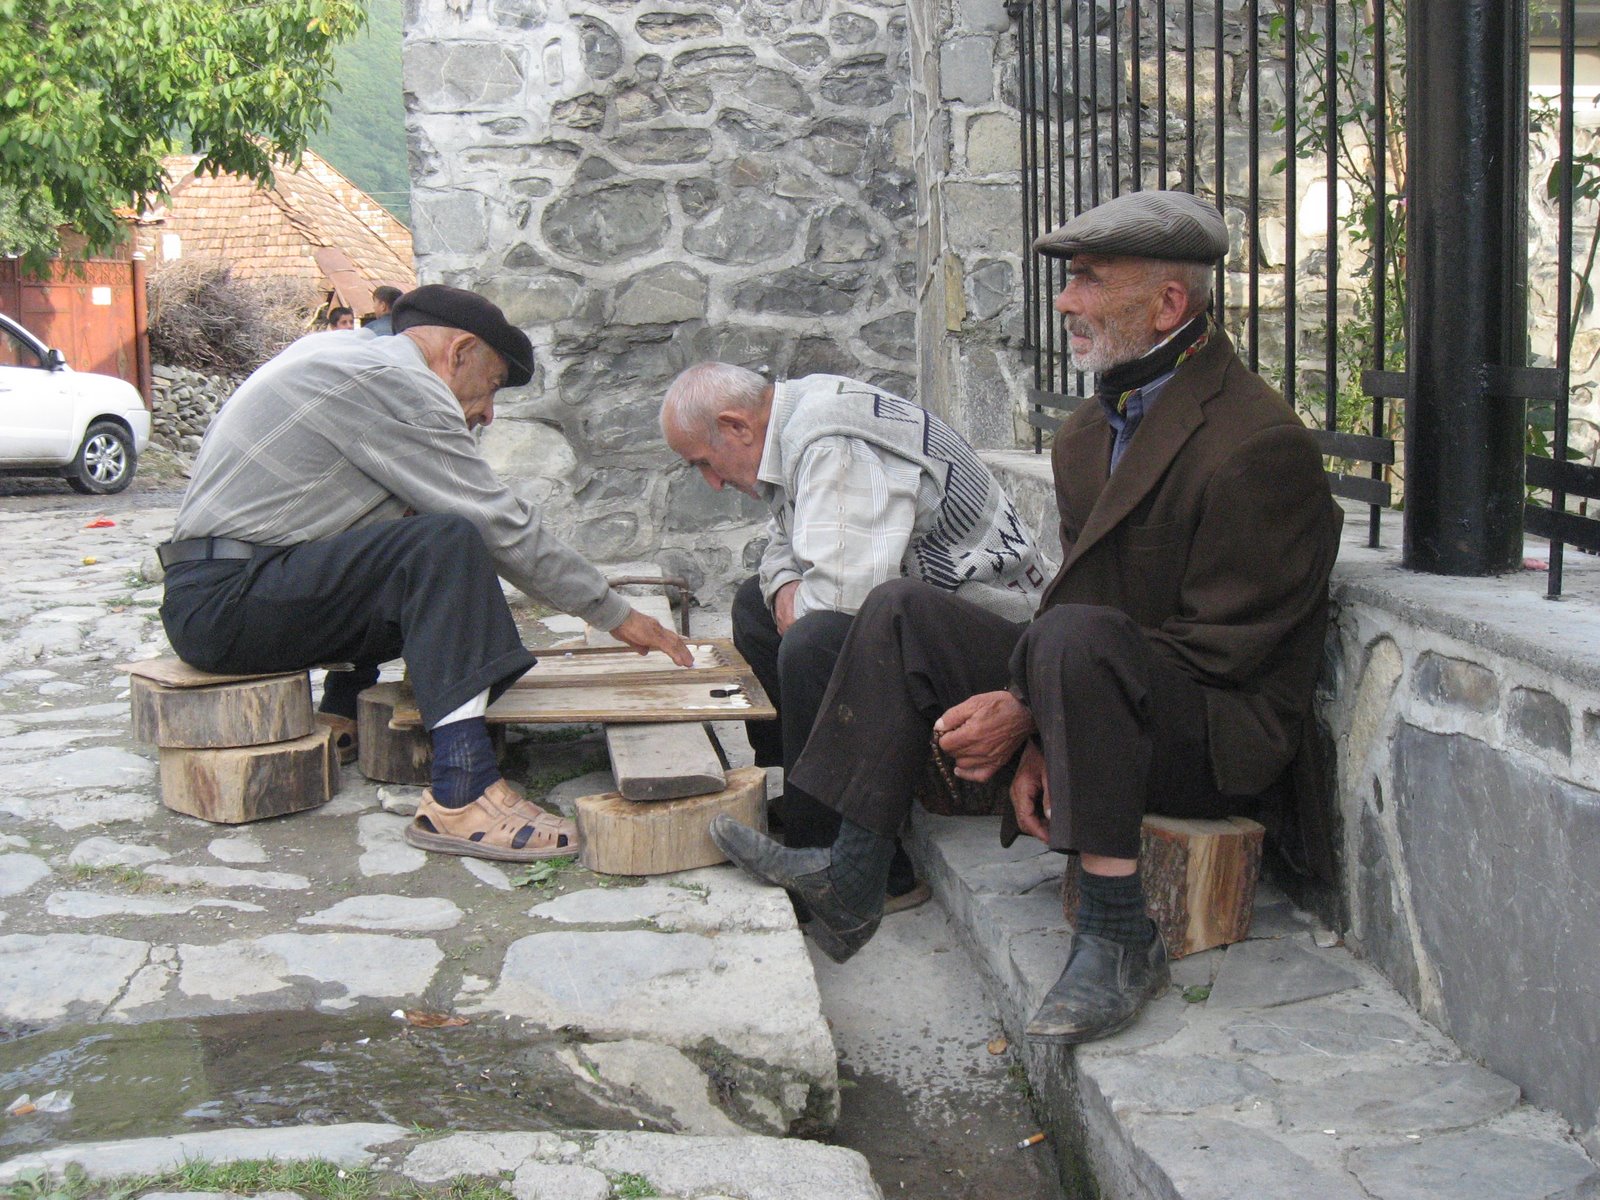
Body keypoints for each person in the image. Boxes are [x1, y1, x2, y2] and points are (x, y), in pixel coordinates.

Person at [710, 191, 1343, 1045]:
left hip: (1214, 732)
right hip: (1101, 683)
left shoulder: (1257, 443)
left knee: (1077, 638)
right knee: (897, 609)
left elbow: (1223, 654)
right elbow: (1077, 611)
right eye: (1070, 279)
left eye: (1089, 281)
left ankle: (1118, 936)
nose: (1065, 302)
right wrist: (1036, 704)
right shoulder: (1088, 434)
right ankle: (853, 872)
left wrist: (1034, 713)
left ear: (1168, 304)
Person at [159, 284, 691, 862]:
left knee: (411, 519)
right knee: (446, 541)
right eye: (492, 386)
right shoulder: (396, 383)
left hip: (221, 590)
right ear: (459, 352)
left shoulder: (342, 354)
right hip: (226, 604)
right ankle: (463, 791)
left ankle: (342, 709)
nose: (488, 412)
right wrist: (614, 613)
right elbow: (500, 525)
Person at [662, 363, 1050, 912]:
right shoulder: (792, 422)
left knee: (816, 642)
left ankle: (852, 865)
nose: (713, 482)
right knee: (755, 605)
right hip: (931, 624)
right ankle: (805, 794)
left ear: (736, 426)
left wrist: (797, 598)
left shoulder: (832, 443)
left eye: (704, 462)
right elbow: (783, 542)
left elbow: (846, 603)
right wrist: (784, 586)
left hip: (1006, 646)